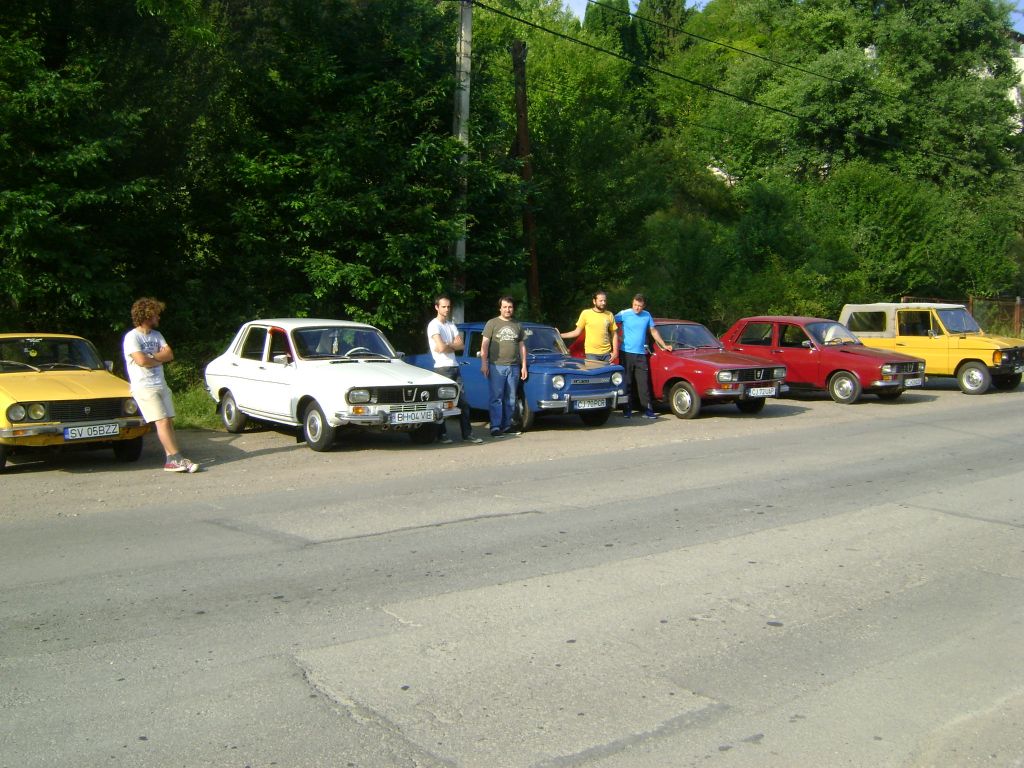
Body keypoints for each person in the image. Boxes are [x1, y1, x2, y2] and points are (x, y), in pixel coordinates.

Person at [123, 297, 198, 472]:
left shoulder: (157, 335)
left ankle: (170, 460)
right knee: (162, 421)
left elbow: (170, 355)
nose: (159, 317)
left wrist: (152, 358)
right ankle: (178, 458)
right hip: (145, 386)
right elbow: (141, 360)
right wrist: (157, 358)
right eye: (156, 314)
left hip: (161, 384)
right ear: (147, 315)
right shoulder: (132, 337)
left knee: (168, 422)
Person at [427, 295, 483, 445]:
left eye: (448, 307)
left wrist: (448, 345)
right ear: (436, 307)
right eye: (443, 306)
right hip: (442, 369)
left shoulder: (451, 325)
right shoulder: (434, 325)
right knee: (443, 404)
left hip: (455, 367)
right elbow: (440, 347)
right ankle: (442, 435)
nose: (446, 309)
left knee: (463, 403)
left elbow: (461, 345)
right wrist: (450, 345)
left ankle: (467, 434)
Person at [615, 293, 671, 420]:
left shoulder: (647, 315)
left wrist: (664, 345)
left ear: (643, 305)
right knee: (627, 381)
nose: (637, 308)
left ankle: (648, 409)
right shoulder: (624, 313)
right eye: (635, 305)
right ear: (632, 303)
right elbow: (610, 323)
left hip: (641, 353)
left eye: (639, 306)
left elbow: (653, 331)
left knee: (643, 383)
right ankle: (626, 409)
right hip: (626, 352)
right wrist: (618, 336)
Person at [480, 296, 528, 438]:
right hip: (496, 366)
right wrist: (484, 363)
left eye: (510, 307)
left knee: (511, 398)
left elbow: (522, 346)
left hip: (514, 367)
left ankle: (507, 426)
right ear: (500, 308)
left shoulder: (517, 325)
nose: (508, 309)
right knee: (496, 398)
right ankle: (495, 427)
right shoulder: (492, 323)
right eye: (505, 307)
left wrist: (523, 365)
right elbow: (484, 344)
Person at [559, 290, 619, 363]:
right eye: (601, 301)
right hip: (592, 354)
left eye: (604, 301)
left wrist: (615, 351)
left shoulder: (609, 314)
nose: (603, 303)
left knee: (608, 374)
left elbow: (614, 334)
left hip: (607, 354)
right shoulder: (586, 313)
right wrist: (559, 335)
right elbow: (576, 332)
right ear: (594, 301)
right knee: (594, 374)